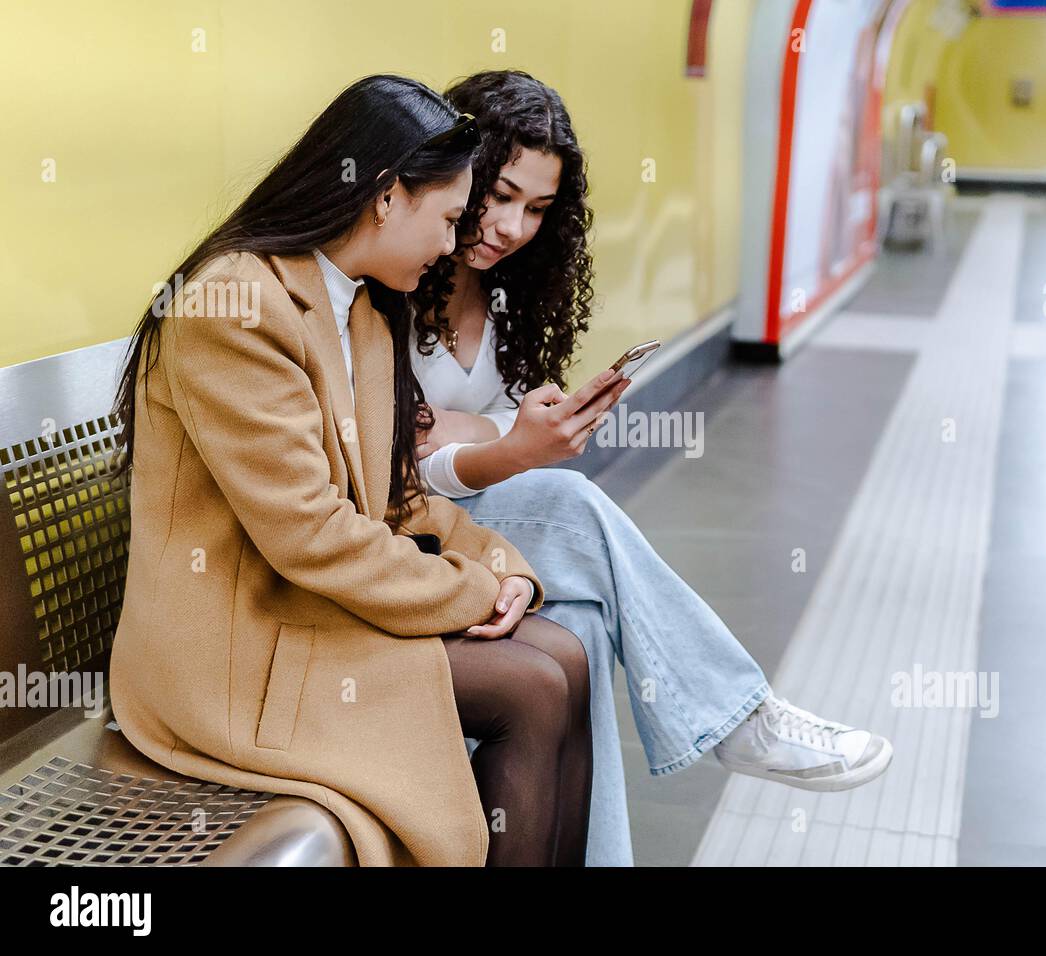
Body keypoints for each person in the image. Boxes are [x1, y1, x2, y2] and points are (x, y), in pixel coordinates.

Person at [388, 70, 894, 867]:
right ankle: (738, 716)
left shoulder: (509, 297)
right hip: (405, 539)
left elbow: (477, 431)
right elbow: (395, 466)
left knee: (583, 626)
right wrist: (506, 449)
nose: (513, 226)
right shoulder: (397, 277)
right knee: (565, 500)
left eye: (537, 210)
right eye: (499, 195)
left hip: (479, 520)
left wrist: (479, 435)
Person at [107, 75, 594, 866]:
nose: (450, 246)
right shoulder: (234, 305)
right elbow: (312, 535)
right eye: (445, 219)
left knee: (565, 654)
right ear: (384, 197)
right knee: (532, 687)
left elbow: (395, 495)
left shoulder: (363, 310)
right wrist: (469, 592)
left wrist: (500, 565)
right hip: (236, 655)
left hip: (308, 615)